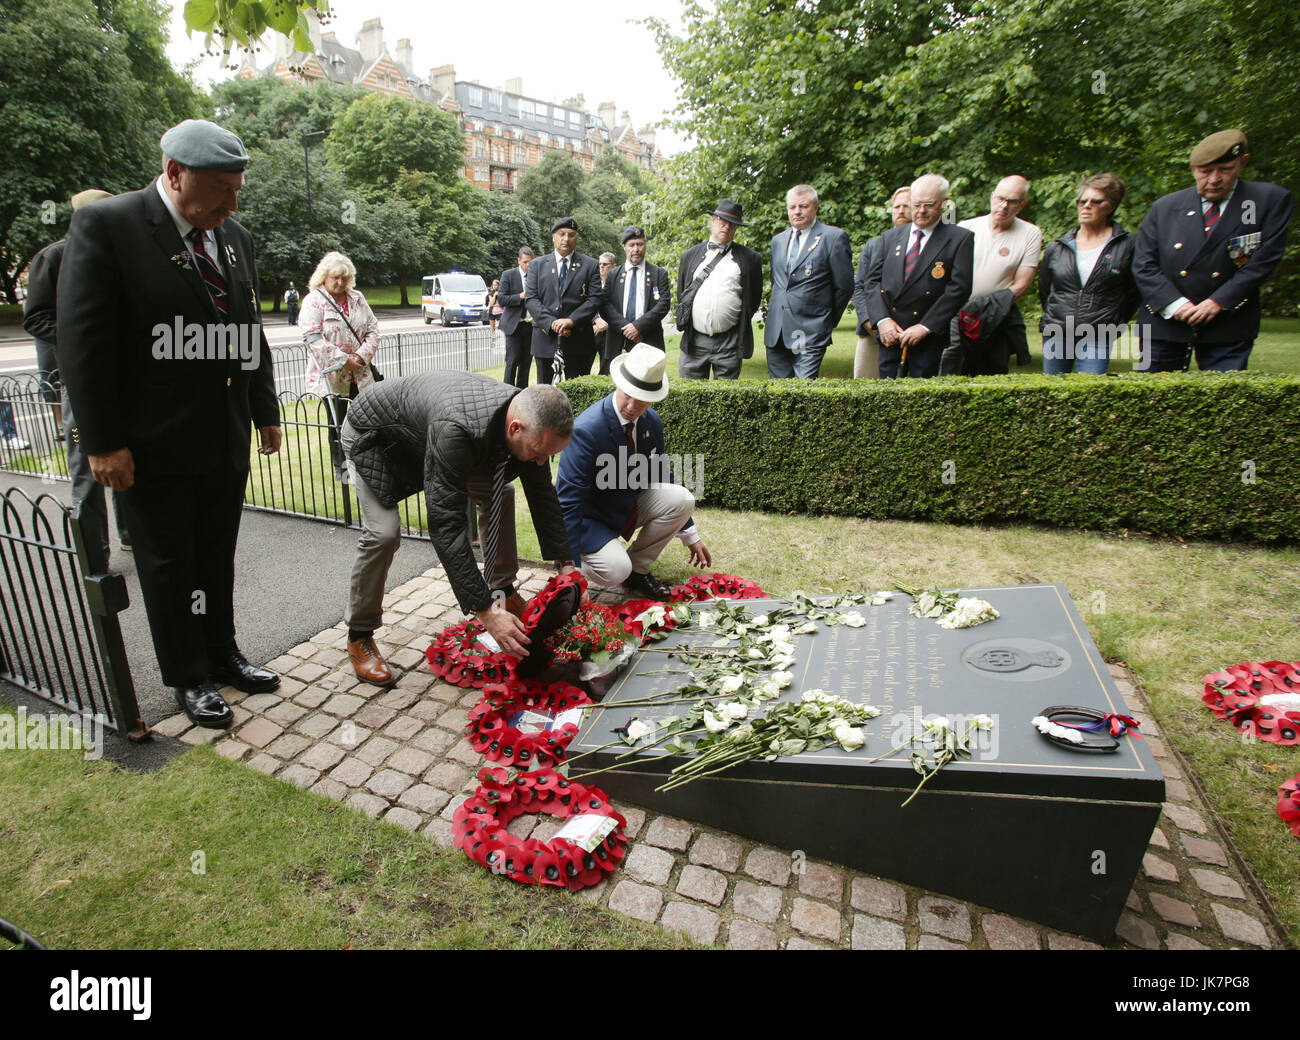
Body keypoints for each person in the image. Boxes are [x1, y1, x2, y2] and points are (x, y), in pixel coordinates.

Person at [58, 118, 282, 730]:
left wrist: (264, 411)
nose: (231, 204)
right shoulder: (110, 226)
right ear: (174, 172)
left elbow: (247, 332)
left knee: (216, 554)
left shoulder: (233, 236)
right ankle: (188, 674)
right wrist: (102, 441)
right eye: (220, 190)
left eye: (237, 190)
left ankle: (222, 653)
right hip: (152, 446)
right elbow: (84, 344)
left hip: (223, 437)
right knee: (168, 563)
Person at [340, 375, 577, 683]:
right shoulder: (456, 430)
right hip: (375, 436)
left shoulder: (531, 421)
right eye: (538, 450)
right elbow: (446, 526)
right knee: (383, 533)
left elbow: (543, 495)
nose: (542, 460)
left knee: (501, 494)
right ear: (514, 428)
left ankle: (502, 590)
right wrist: (485, 613)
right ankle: (360, 633)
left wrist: (566, 565)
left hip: (430, 435)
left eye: (550, 454)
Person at [22, 187, 131, 556]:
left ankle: (130, 533)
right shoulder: (54, 257)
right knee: (87, 467)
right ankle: (94, 548)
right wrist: (84, 339)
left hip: (125, 379)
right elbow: (36, 317)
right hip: (82, 382)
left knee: (128, 459)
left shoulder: (121, 255)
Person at [556, 344, 711, 600]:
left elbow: (661, 473)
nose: (631, 404)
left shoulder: (651, 422)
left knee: (682, 498)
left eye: (641, 399)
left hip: (624, 505)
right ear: (618, 383)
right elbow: (569, 502)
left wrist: (691, 535)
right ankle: (602, 562)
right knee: (616, 570)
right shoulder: (587, 430)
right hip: (590, 518)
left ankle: (638, 571)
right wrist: (568, 568)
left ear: (653, 398)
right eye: (628, 393)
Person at [1133, 129, 1294, 372]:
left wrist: (1219, 301)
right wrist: (1176, 305)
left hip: (1229, 322)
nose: (1214, 179)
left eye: (1225, 170)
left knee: (1226, 401)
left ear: (1243, 163)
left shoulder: (1268, 200)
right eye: (1205, 172)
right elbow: (1143, 264)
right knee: (1154, 401)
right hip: (1165, 322)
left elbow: (1263, 260)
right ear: (1193, 169)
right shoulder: (1165, 207)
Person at [865, 173, 975, 378]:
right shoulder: (890, 237)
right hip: (891, 334)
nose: (921, 211)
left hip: (927, 336)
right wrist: (882, 320)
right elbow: (871, 282)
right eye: (915, 205)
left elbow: (959, 288)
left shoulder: (960, 238)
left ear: (944, 203)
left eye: (929, 205)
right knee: (887, 395)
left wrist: (926, 326)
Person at [1040, 173, 1141, 374]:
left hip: (1099, 331)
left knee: (1090, 392)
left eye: (1095, 201)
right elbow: (1045, 289)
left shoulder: (1128, 245)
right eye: (1082, 201)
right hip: (1058, 329)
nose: (1086, 206)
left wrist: (1114, 319)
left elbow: (1133, 292)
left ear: (1111, 206)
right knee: (1050, 394)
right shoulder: (1058, 247)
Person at [944, 175, 1041, 375]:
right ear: (992, 197)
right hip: (958, 311)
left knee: (992, 371)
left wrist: (987, 307)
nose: (1004, 206)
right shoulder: (966, 227)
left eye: (1012, 201)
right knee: (953, 365)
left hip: (997, 315)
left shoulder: (1030, 233)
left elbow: (1022, 284)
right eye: (1000, 198)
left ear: (1022, 205)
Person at [300, 251, 381, 483]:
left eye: (344, 278)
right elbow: (312, 338)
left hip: (361, 373)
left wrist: (361, 355)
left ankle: (367, 463)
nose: (340, 282)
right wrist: (344, 359)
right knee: (337, 423)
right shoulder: (314, 301)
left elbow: (374, 330)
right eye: (335, 277)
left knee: (365, 420)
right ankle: (343, 469)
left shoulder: (357, 298)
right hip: (332, 377)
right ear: (324, 276)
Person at [764, 185, 854, 379]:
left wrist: (824, 321)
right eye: (792, 207)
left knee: (802, 392)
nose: (797, 211)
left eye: (803, 206)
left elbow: (844, 287)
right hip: (777, 331)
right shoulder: (778, 240)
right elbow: (778, 282)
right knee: (777, 395)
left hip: (811, 331)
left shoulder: (833, 238)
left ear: (815, 208)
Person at [676, 199, 764, 381]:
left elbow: (753, 299)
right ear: (713, 220)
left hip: (729, 342)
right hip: (694, 340)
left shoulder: (750, 259)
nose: (726, 227)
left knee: (726, 401)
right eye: (723, 221)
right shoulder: (690, 256)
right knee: (689, 397)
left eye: (732, 224)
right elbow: (682, 294)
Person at [525, 217, 603, 384]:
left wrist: (571, 321)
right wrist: (553, 323)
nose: (566, 239)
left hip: (579, 340)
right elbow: (531, 299)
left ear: (577, 238)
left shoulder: (590, 265)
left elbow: (595, 299)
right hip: (546, 340)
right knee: (545, 395)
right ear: (554, 236)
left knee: (578, 393)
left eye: (571, 235)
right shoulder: (537, 265)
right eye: (562, 234)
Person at [851, 187, 911, 379]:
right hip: (873, 330)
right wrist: (872, 322)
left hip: (910, 331)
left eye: (906, 206)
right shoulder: (875, 245)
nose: (901, 211)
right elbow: (861, 286)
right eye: (897, 206)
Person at [600, 226, 671, 374]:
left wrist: (638, 326)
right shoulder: (613, 275)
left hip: (648, 340)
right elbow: (605, 305)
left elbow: (663, 304)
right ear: (625, 247)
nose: (636, 249)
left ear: (645, 245)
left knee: (647, 388)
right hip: (618, 341)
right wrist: (627, 328)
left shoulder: (659, 274)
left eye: (640, 244)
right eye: (632, 245)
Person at [498, 247, 533, 389]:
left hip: (530, 326)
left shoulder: (536, 276)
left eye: (531, 262)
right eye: (525, 262)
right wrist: (520, 296)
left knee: (527, 362)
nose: (528, 265)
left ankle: (522, 392)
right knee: (512, 361)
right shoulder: (508, 275)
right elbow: (501, 299)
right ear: (519, 260)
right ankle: (507, 392)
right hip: (513, 326)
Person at [594, 252, 618, 375]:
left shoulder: (618, 285)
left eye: (605, 264)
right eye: (600, 264)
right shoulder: (593, 283)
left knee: (607, 369)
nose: (601, 266)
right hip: (593, 330)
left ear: (613, 266)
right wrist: (596, 319)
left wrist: (607, 323)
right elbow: (587, 303)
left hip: (610, 333)